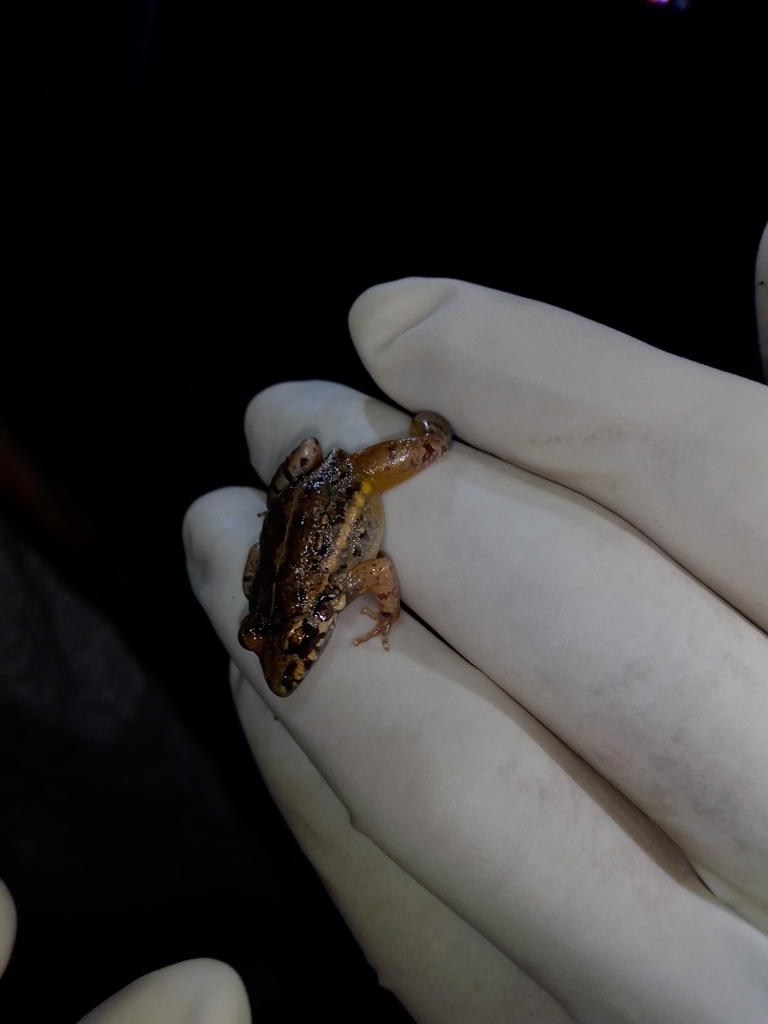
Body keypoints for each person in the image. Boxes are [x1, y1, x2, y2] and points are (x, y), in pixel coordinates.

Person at [5, 224, 768, 1022]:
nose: (289, 662)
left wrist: (380, 606)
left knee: (429, 448)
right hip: (301, 498)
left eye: (292, 646)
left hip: (342, 488)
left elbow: (376, 571)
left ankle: (433, 433)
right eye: (280, 645)